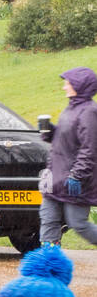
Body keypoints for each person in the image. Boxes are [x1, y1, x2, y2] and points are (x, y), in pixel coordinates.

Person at [39, 67, 97, 247]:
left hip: (74, 181)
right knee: (48, 221)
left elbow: (90, 148)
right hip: (55, 177)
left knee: (78, 224)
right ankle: (48, 267)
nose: (65, 87)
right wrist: (50, 132)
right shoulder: (70, 108)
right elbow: (68, 139)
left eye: (68, 83)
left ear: (80, 85)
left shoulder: (89, 112)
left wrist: (76, 176)